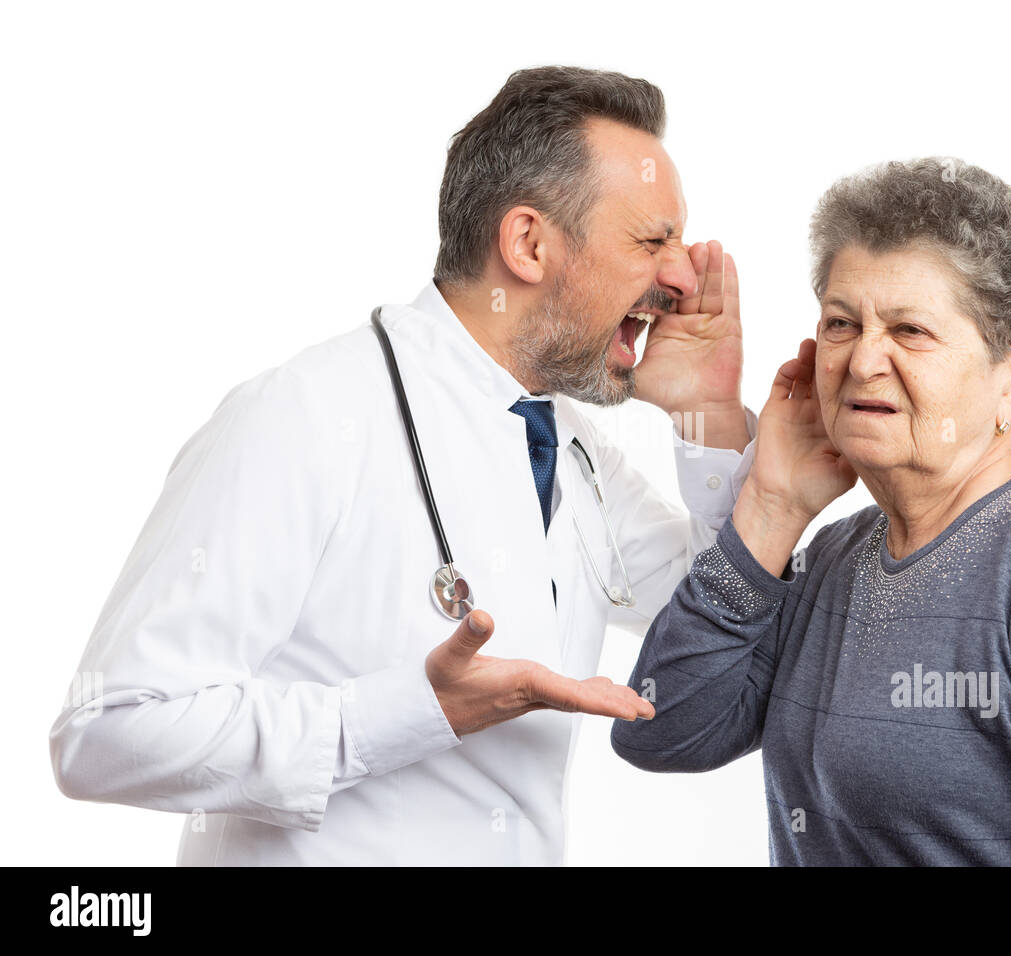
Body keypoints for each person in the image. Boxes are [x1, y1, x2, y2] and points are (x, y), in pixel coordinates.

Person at [49, 66, 758, 866]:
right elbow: (105, 733)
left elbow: (729, 613)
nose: (682, 276)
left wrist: (711, 415)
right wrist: (410, 712)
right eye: (652, 240)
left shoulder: (571, 448)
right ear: (528, 243)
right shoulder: (305, 414)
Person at [611, 157, 1011, 866]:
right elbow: (662, 729)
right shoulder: (836, 555)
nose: (864, 360)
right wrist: (772, 507)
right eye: (842, 323)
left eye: (910, 331)